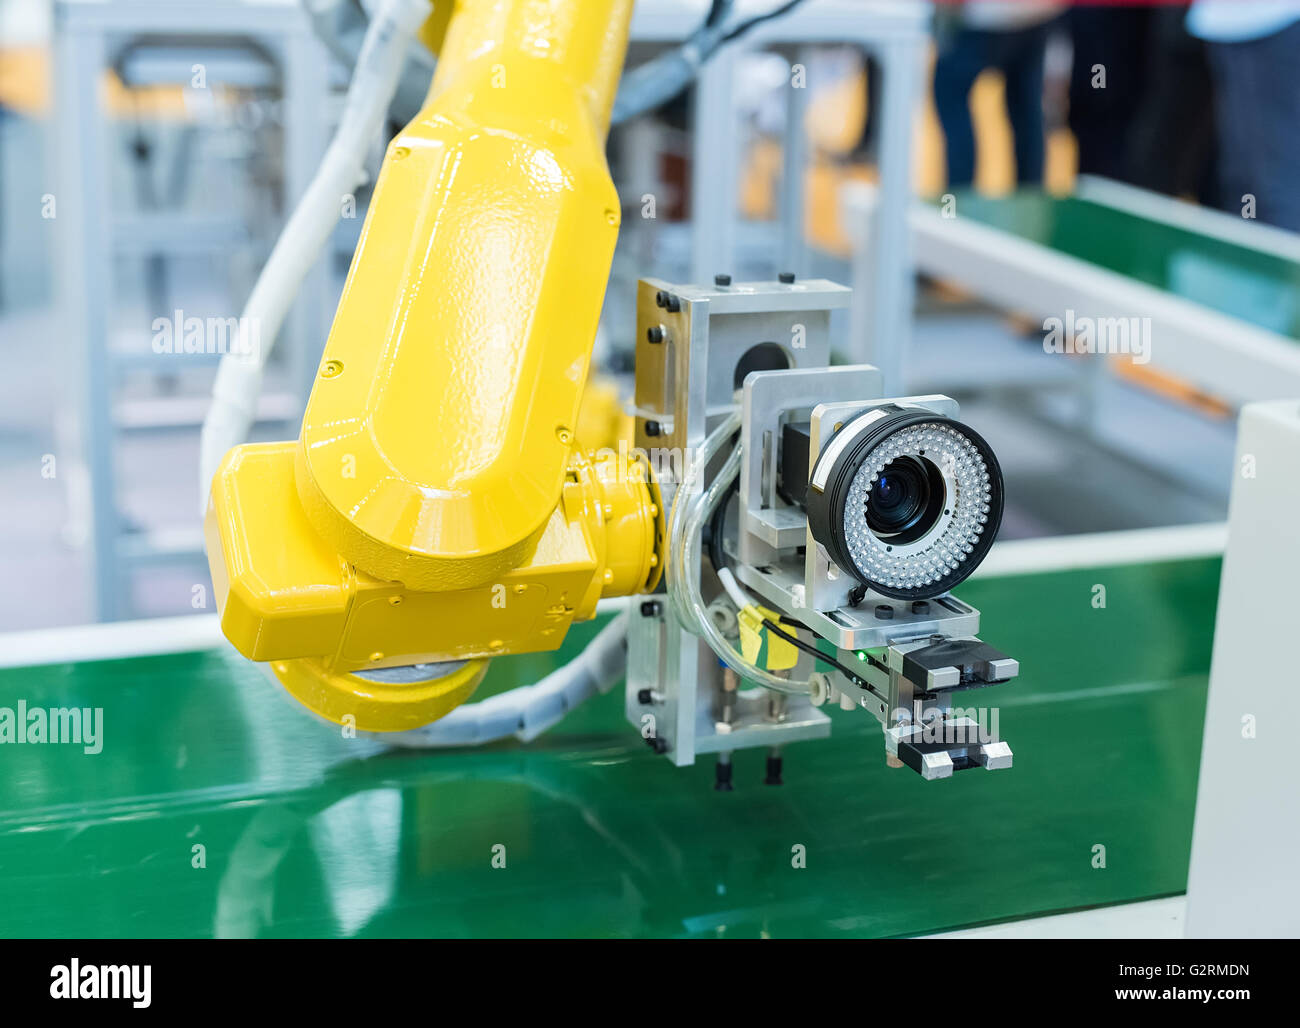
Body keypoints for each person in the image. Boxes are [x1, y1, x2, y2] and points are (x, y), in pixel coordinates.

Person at [1187, 1, 1300, 230]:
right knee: (1241, 177)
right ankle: (1248, 259)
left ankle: (1280, 262)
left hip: (1269, 21)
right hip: (1233, 23)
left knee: (1274, 183)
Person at [932, 1, 1064, 189]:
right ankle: (1032, 198)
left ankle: (958, 202)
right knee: (1026, 110)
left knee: (954, 107)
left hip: (980, 19)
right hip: (1034, 15)